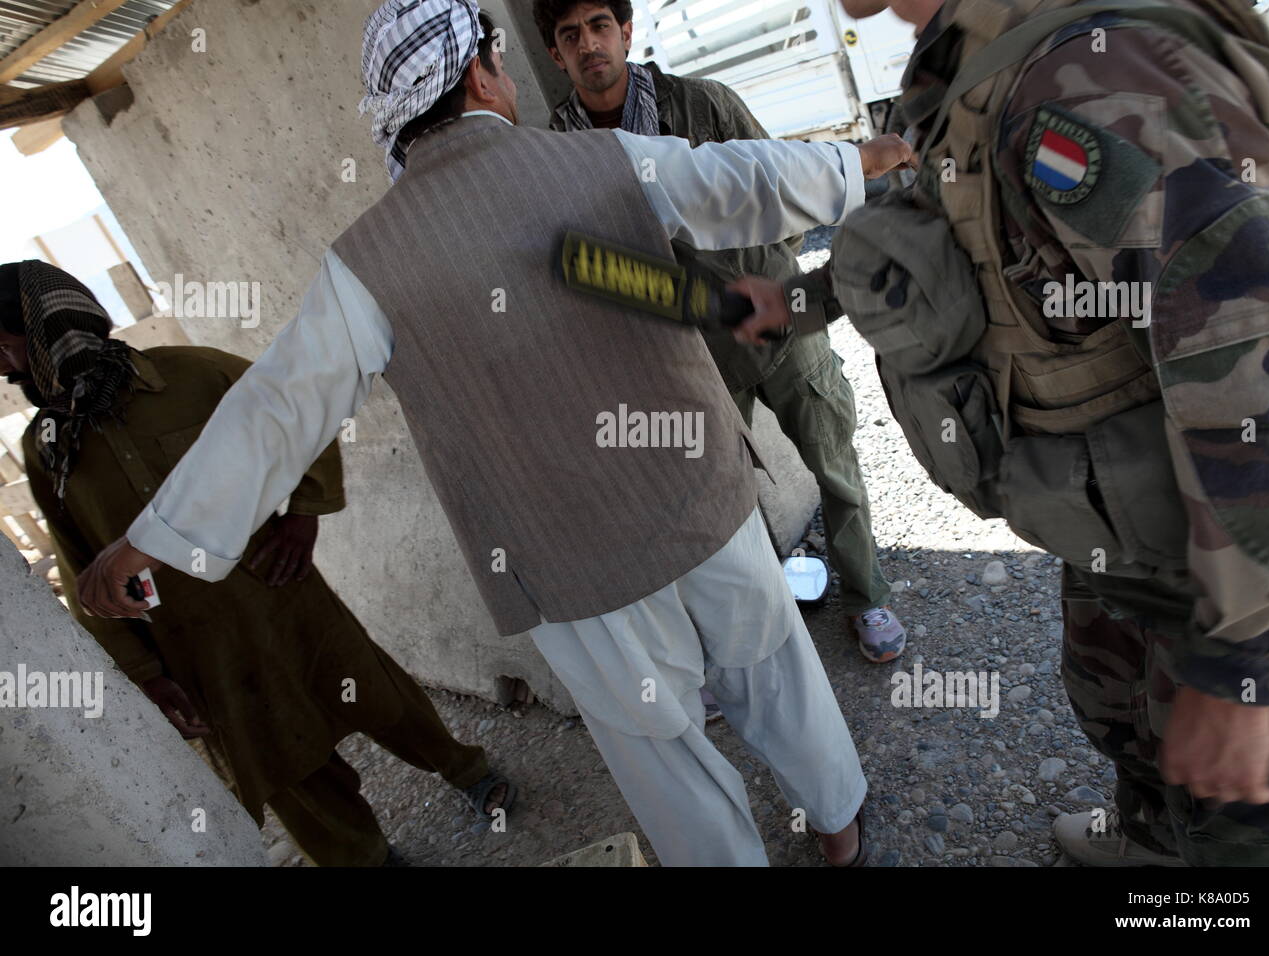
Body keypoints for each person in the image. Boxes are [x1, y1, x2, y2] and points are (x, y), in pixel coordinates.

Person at [74, 0, 913, 866]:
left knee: (659, 749)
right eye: (504, 62)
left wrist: (151, 542)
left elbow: (277, 411)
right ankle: (841, 830)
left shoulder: (363, 263)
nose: (513, 77)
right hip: (699, 501)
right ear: (476, 72)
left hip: (563, 569)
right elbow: (740, 182)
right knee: (773, 669)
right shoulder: (602, 158)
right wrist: (859, 164)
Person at [735, 0, 1269, 866]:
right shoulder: (973, 55)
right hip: (1124, 532)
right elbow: (953, 236)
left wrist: (1243, 665)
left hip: (1233, 567)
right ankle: (1153, 843)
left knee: (1246, 829)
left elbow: (1257, 355)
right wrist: (799, 302)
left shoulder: (1086, 76)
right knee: (1122, 717)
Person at [0, 260, 514, 867]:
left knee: (377, 695)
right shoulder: (48, 452)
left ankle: (469, 774)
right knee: (279, 765)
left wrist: (303, 516)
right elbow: (78, 563)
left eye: (4, 341)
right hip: (193, 647)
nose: (4, 363)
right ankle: (365, 858)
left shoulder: (191, 374)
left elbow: (299, 419)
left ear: (39, 329)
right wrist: (144, 672)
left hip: (283, 594)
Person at [535, 0, 908, 664]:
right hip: (690, 354)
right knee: (725, 503)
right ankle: (769, 626)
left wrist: (770, 276)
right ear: (556, 54)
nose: (589, 45)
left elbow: (780, 189)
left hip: (782, 319)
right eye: (570, 36)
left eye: (598, 26)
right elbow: (589, 264)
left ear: (626, 31)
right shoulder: (559, 156)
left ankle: (866, 596)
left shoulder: (705, 103)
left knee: (835, 465)